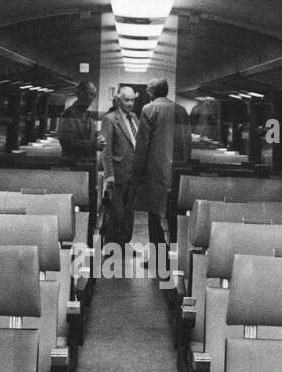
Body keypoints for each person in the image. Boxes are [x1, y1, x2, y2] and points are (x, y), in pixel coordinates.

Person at [131, 78, 191, 254]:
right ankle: (176, 255)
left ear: (151, 92)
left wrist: (136, 174)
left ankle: (158, 258)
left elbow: (142, 145)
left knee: (155, 215)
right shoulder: (181, 110)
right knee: (175, 215)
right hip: (179, 171)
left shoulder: (149, 109)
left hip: (156, 171)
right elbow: (187, 142)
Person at [99, 86, 139, 245]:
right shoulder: (109, 119)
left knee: (129, 214)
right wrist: (109, 175)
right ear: (119, 100)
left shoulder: (134, 118)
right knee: (116, 214)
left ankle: (124, 244)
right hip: (117, 174)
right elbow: (106, 150)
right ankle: (111, 248)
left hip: (133, 174)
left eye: (132, 100)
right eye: (126, 100)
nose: (130, 103)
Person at [56, 80, 98, 164]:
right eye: (86, 93)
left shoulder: (89, 116)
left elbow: (90, 135)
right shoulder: (69, 114)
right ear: (78, 94)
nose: (89, 97)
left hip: (88, 163)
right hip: (73, 165)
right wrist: (93, 144)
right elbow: (67, 143)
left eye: (92, 94)